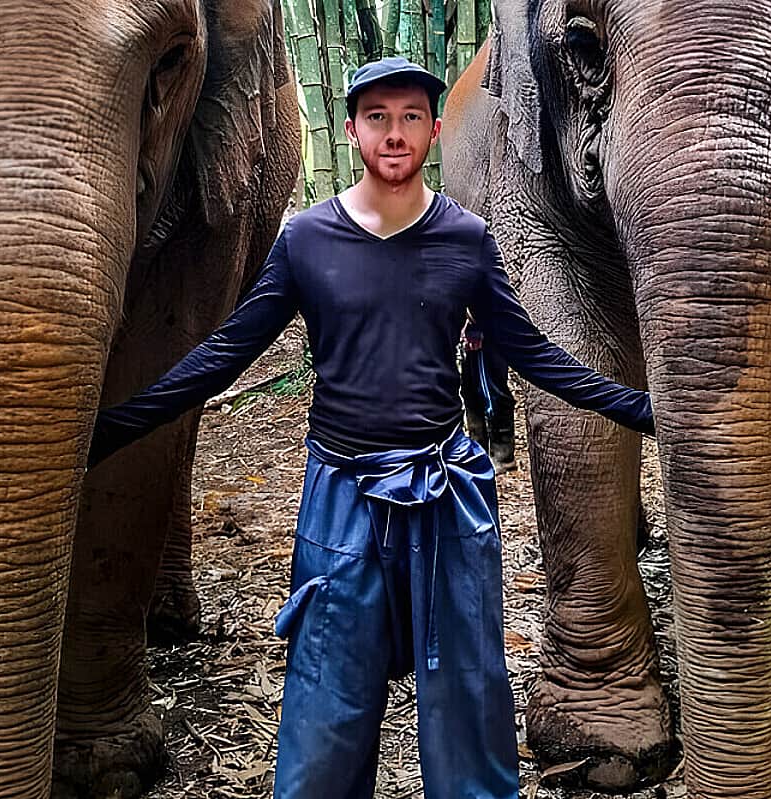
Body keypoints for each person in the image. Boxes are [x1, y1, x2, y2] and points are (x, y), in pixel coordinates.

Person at [88, 56, 654, 799]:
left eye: (412, 116)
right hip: (341, 498)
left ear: (434, 128)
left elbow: (537, 357)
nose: (396, 133)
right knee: (326, 704)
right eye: (379, 117)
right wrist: (104, 430)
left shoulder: (466, 239)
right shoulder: (308, 240)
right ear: (352, 128)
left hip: (448, 495)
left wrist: (651, 412)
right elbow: (224, 353)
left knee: (469, 706)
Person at [460, 317, 518, 472]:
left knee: (492, 391)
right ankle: (478, 449)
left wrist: (476, 328)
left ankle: (503, 456)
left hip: (490, 334)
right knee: (469, 390)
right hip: (467, 334)